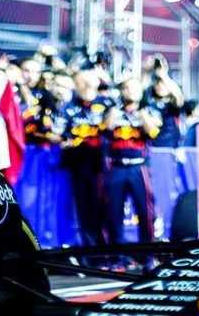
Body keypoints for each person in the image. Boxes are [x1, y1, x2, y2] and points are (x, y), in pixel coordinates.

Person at [104, 76, 161, 245]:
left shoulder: (150, 111)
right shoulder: (113, 111)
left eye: (135, 88)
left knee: (145, 212)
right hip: (117, 166)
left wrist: (142, 114)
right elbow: (105, 132)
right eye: (127, 87)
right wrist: (112, 115)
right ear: (121, 90)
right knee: (113, 212)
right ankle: (117, 257)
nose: (130, 91)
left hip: (139, 167)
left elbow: (153, 133)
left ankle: (148, 256)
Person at [60, 70, 111, 245]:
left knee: (102, 208)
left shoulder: (107, 104)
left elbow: (111, 130)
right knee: (83, 209)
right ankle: (90, 254)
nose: (80, 87)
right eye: (79, 83)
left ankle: (107, 252)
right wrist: (64, 141)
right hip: (78, 165)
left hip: (101, 165)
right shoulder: (68, 107)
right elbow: (61, 133)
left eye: (82, 83)